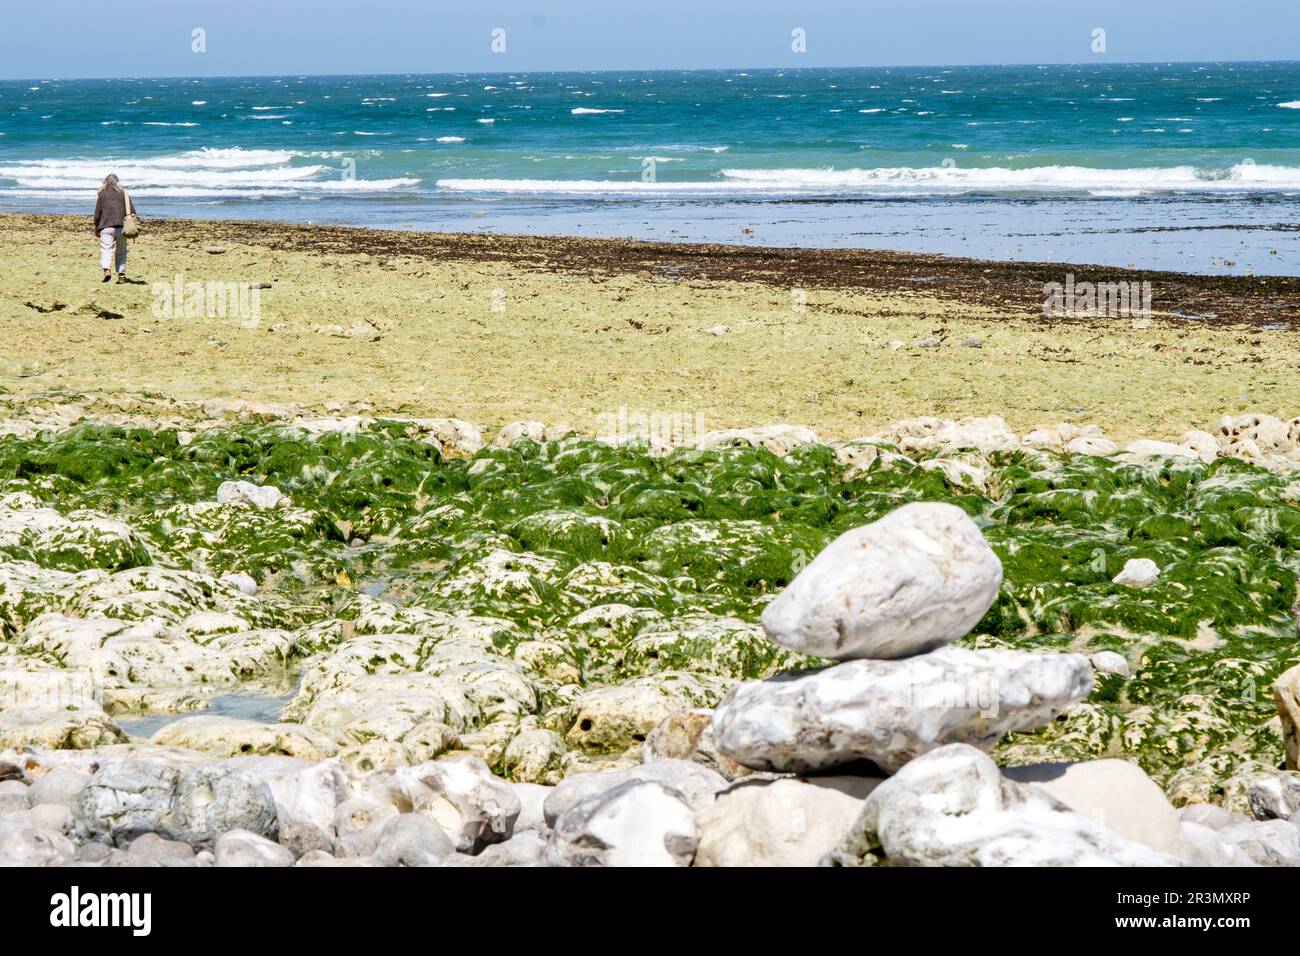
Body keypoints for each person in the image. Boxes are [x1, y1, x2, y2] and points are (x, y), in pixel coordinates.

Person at [93, 174, 139, 284]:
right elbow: (132, 212)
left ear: (105, 182)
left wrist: (96, 227)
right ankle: (121, 275)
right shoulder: (124, 193)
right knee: (121, 251)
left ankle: (106, 270)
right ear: (117, 182)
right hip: (121, 226)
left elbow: (97, 213)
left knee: (106, 249)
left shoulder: (102, 194)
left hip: (106, 227)